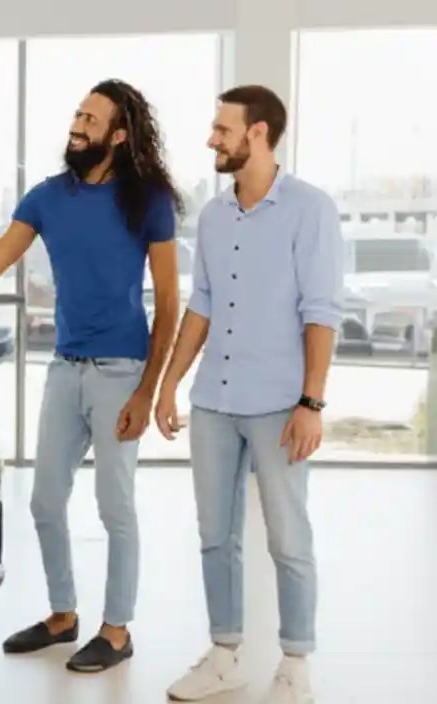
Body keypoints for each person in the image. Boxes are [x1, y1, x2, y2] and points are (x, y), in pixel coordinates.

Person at [0, 79, 182, 673]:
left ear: (119, 134)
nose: (77, 125)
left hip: (121, 371)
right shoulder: (47, 197)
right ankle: (63, 616)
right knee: (46, 501)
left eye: (91, 119)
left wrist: (148, 389)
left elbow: (169, 302)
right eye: (77, 115)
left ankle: (117, 629)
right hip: (66, 368)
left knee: (115, 507)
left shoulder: (147, 199)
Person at [157, 85, 343, 704]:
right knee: (216, 535)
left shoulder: (309, 209)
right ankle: (224, 653)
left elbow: (321, 312)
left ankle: (295, 663)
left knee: (288, 537)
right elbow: (202, 304)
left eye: (222, 129)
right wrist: (172, 384)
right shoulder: (213, 214)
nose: (213, 138)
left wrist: (311, 403)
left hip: (280, 402)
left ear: (258, 133)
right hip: (215, 400)